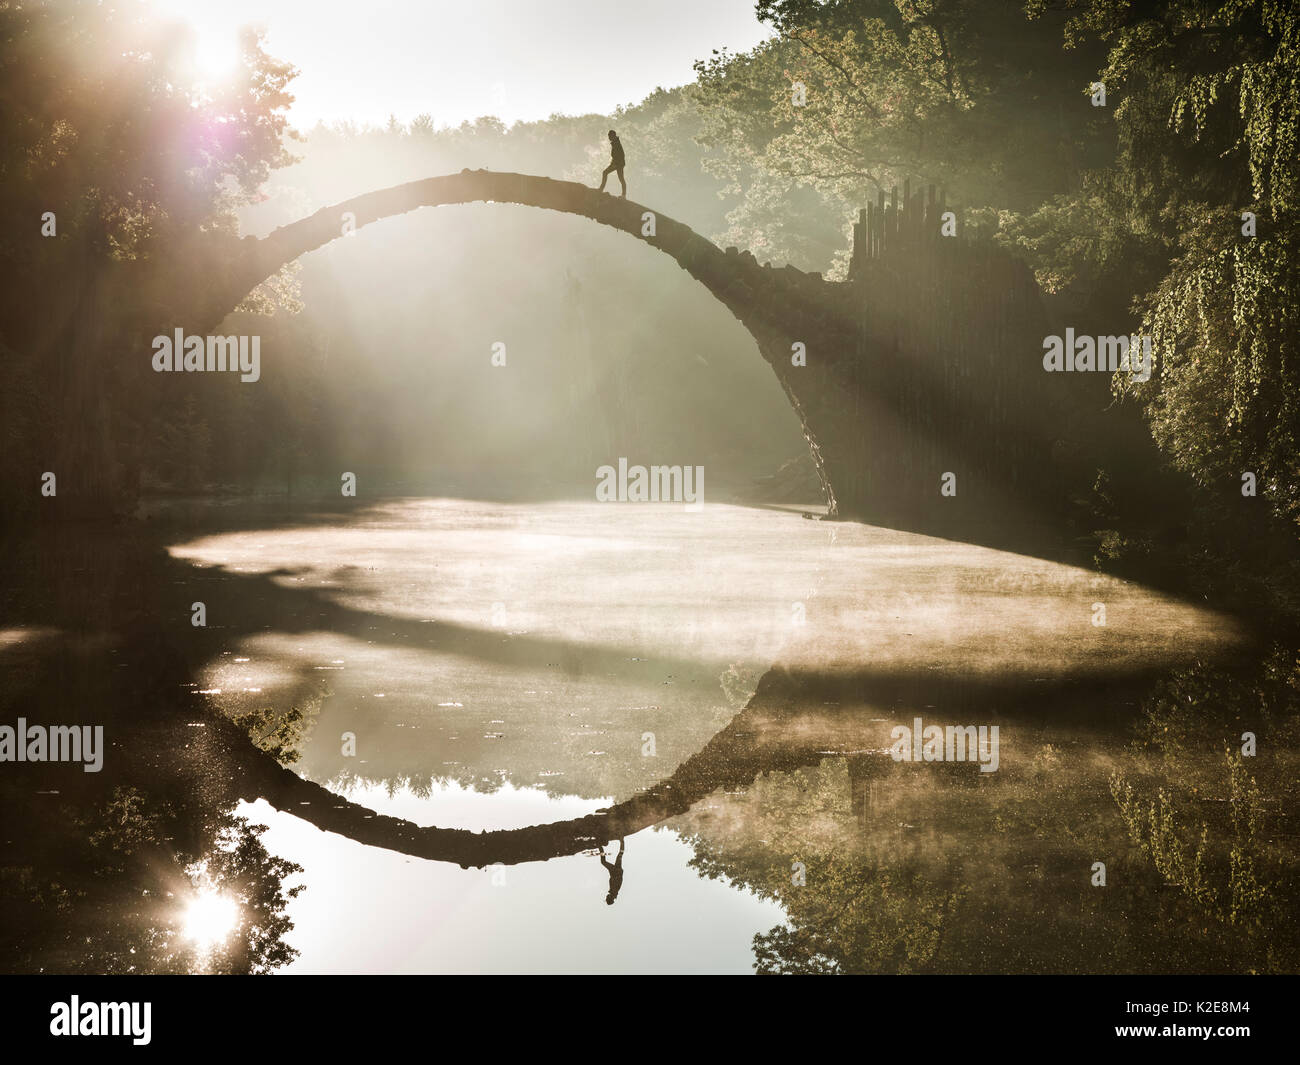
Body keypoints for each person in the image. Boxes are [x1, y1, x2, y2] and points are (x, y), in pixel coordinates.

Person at [598, 130, 626, 197]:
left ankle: (601, 189)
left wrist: (616, 163)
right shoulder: (615, 142)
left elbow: (621, 155)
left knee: (605, 173)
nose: (608, 137)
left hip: (618, 164)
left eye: (609, 136)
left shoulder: (616, 143)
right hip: (617, 163)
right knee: (621, 178)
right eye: (608, 136)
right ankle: (624, 195)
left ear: (613, 135)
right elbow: (616, 155)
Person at [599, 838, 625, 905]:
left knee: (620, 855)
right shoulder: (614, 892)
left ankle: (622, 840)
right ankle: (600, 847)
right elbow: (617, 881)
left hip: (617, 872)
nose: (606, 897)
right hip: (615, 873)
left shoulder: (614, 892)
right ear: (609, 898)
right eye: (607, 898)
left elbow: (619, 881)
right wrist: (616, 874)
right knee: (603, 862)